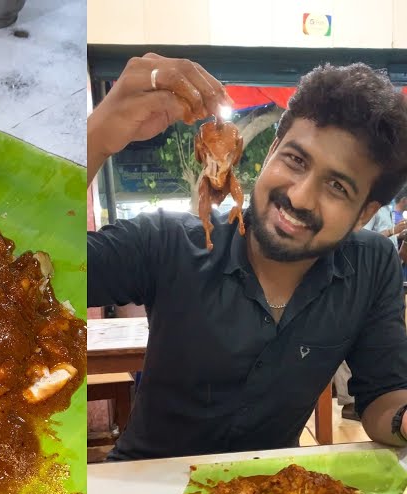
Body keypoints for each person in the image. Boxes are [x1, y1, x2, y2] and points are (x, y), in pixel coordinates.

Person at [88, 55, 407, 460]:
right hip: (145, 490)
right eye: (295, 160)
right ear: (272, 150)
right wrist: (96, 137)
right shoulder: (167, 242)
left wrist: (402, 418)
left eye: (338, 187)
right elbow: (30, 262)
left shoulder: (371, 265)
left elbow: (384, 396)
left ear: (364, 213)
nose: (299, 196)